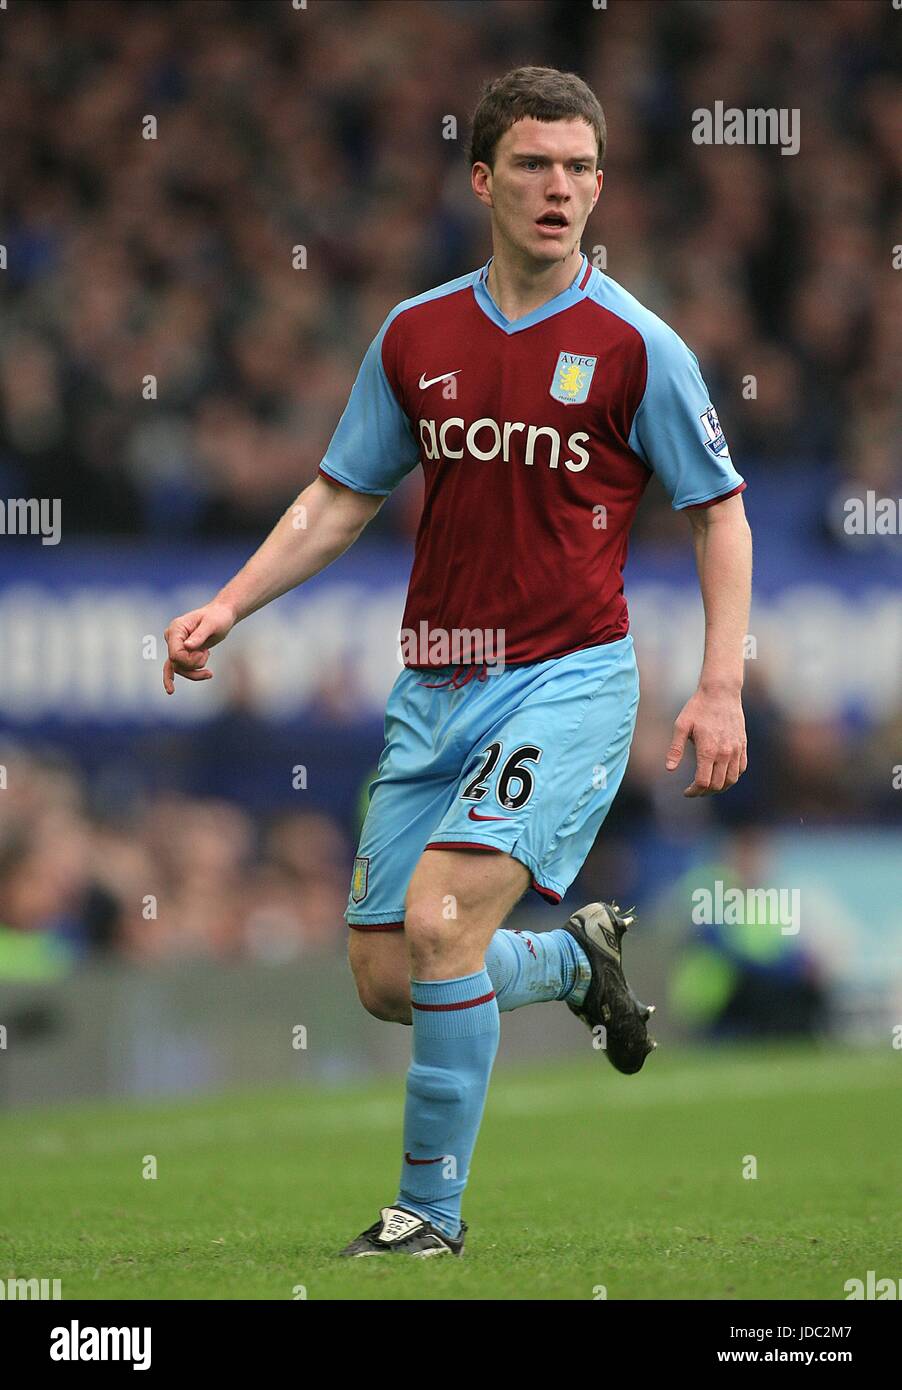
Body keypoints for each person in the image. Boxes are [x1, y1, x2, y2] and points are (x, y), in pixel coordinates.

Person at [163, 66, 752, 1260]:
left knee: (438, 922)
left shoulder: (637, 346)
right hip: (433, 686)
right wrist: (228, 603)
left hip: (568, 681)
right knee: (389, 974)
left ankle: (426, 1215)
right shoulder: (415, 333)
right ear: (480, 178)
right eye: (534, 164)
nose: (560, 188)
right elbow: (338, 499)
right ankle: (572, 963)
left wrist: (720, 681)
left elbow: (719, 513)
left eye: (580, 168)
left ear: (600, 186)